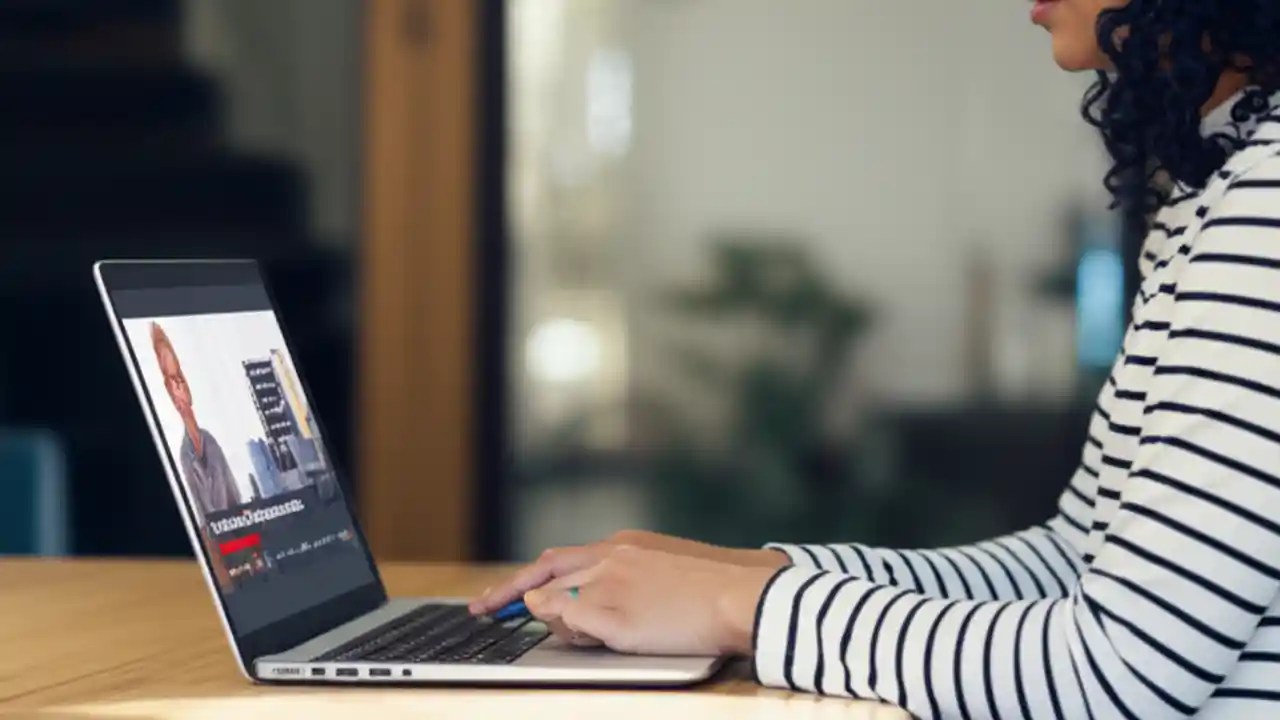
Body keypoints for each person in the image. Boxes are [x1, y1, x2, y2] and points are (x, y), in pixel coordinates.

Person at [472, 1, 1280, 717]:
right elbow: (1076, 559)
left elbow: (1117, 672)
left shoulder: (1265, 205)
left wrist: (740, 606)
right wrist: (729, 570)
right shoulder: (1224, 178)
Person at [150, 322, 242, 516]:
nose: (180, 386)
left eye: (181, 378)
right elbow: (203, 512)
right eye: (173, 381)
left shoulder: (210, 440)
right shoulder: (185, 455)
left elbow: (232, 489)